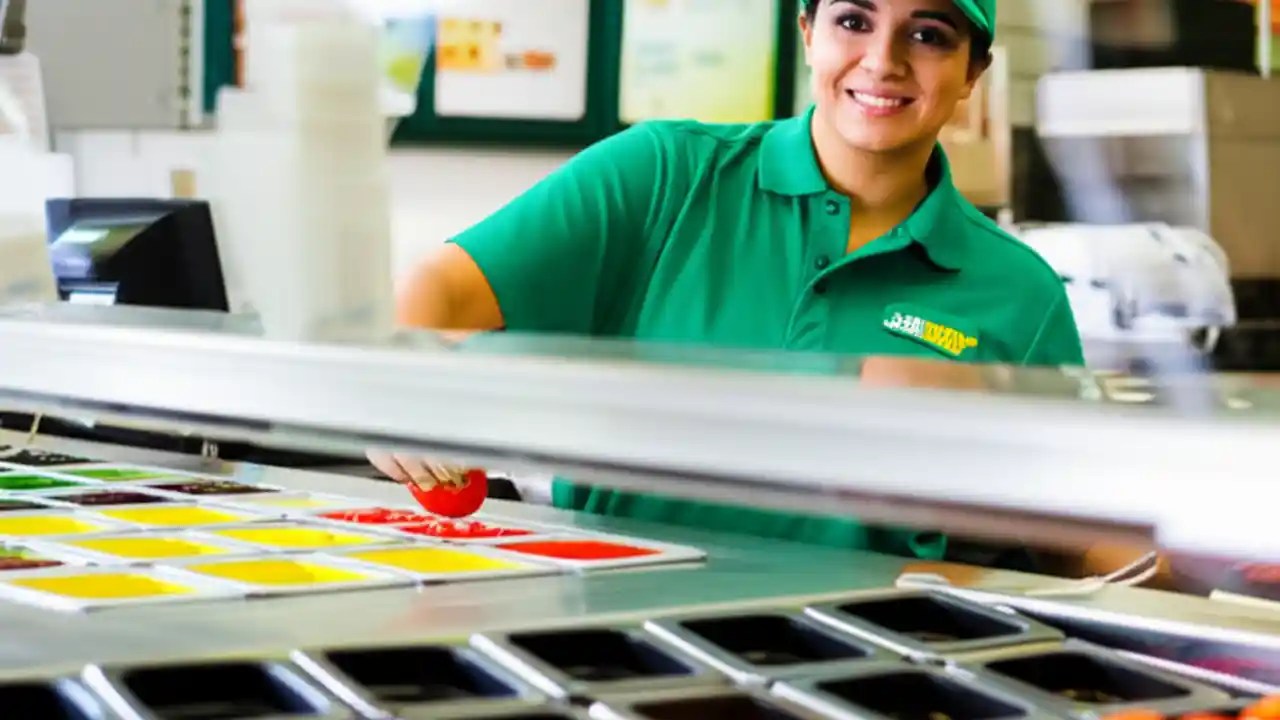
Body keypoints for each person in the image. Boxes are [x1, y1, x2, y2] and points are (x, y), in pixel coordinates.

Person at [372, 0, 1085, 561]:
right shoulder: (664, 175)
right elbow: (435, 290)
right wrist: (404, 388)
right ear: (808, 33)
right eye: (852, 20)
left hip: (867, 659)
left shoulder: (1020, 292)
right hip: (603, 635)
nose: (882, 60)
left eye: (928, 35)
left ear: (972, 75)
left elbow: (1079, 536)